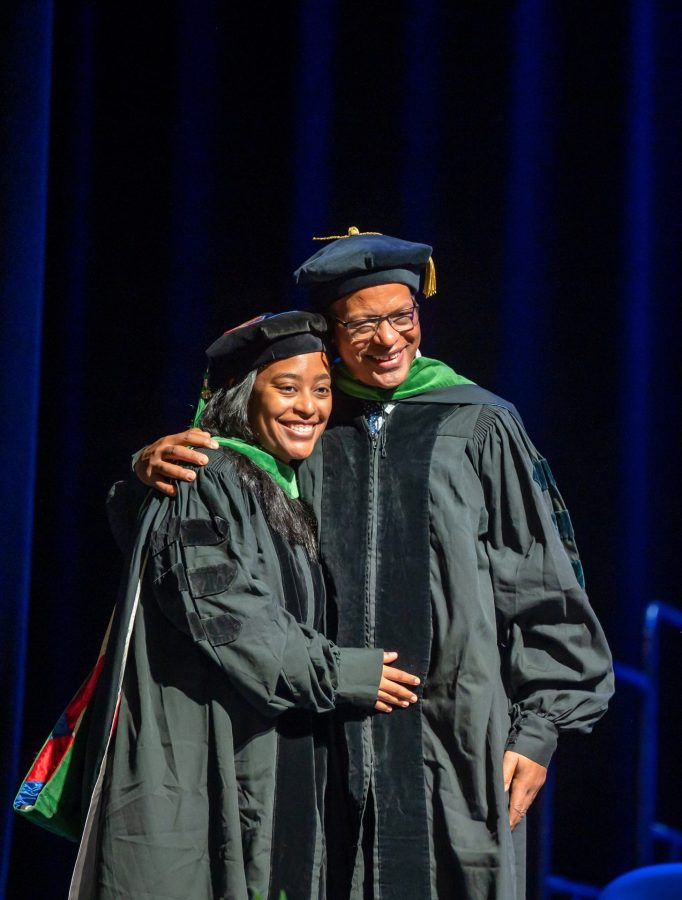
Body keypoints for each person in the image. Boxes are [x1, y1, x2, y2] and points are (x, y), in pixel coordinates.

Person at [134, 230, 615, 900]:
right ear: (332, 333)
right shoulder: (302, 425)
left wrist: (539, 732)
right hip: (315, 739)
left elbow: (542, 583)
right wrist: (144, 470)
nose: (387, 339)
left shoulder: (479, 425)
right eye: (362, 324)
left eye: (401, 316)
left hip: (454, 740)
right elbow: (207, 532)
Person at [68, 310, 421, 900]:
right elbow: (227, 617)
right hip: (195, 760)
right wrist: (344, 673)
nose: (308, 407)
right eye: (286, 388)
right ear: (240, 395)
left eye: (322, 390)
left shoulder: (285, 489)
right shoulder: (201, 477)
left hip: (259, 757)